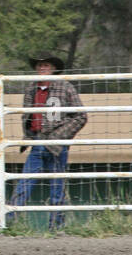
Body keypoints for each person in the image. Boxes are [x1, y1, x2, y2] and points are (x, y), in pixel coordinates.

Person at [9, 54, 87, 229]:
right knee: (25, 183)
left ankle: (56, 225)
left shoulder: (65, 87)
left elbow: (81, 116)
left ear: (53, 69)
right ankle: (10, 221)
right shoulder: (31, 89)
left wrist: (59, 135)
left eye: (46, 65)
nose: (42, 68)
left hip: (56, 144)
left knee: (56, 186)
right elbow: (27, 115)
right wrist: (28, 135)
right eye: (40, 65)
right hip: (36, 141)